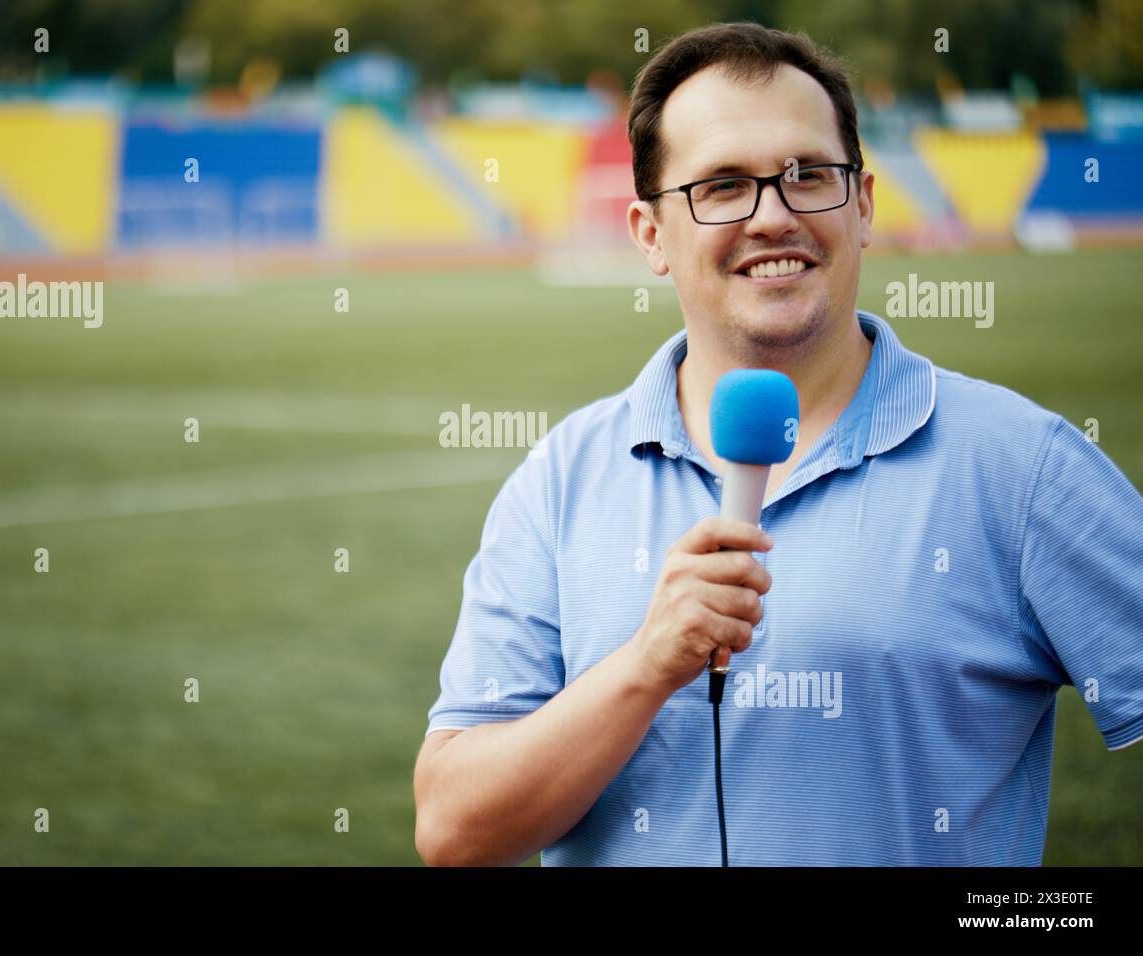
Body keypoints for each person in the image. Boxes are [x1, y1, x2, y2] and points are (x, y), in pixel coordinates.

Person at [413, 22, 1143, 866]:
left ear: (863, 204)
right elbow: (455, 833)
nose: (775, 215)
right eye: (722, 186)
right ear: (650, 233)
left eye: (808, 175)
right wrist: (648, 665)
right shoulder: (559, 479)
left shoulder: (1023, 465)